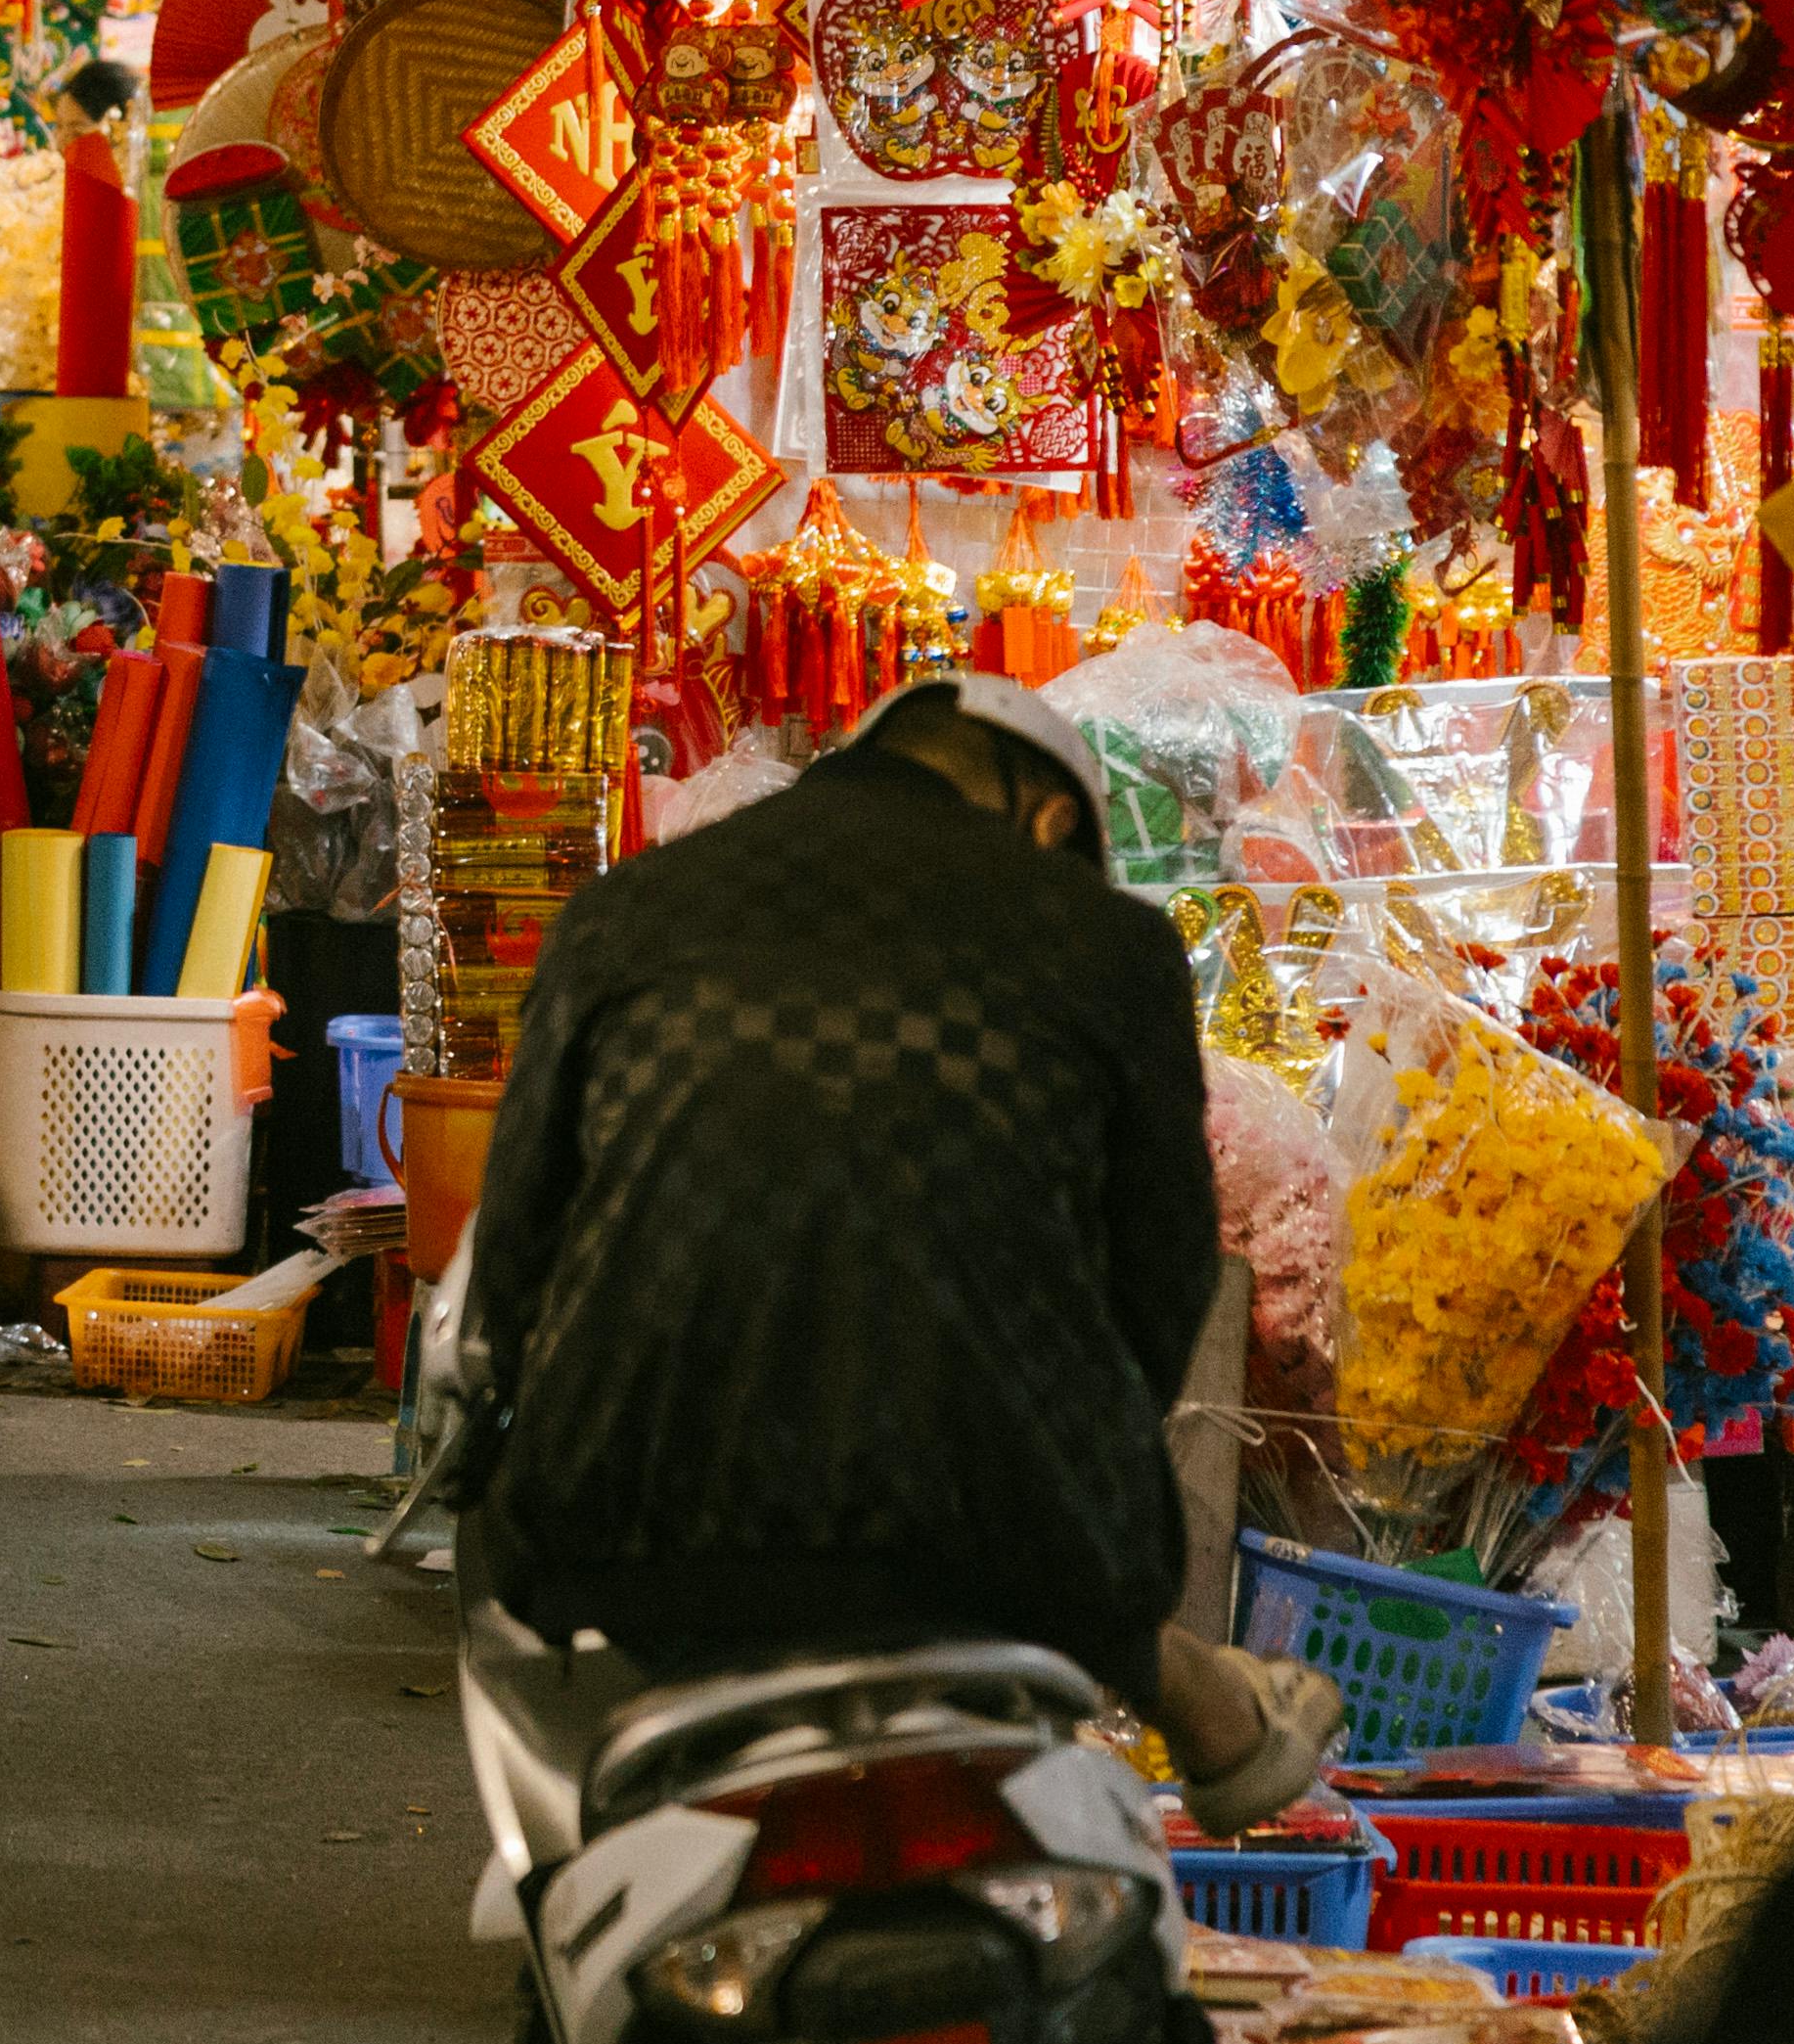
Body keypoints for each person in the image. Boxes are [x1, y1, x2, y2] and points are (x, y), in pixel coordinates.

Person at [453, 667, 1334, 1818]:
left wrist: (515, 1438)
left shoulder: (625, 911)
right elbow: (1161, 1288)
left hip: (623, 1525)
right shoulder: (1108, 945)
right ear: (1048, 814)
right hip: (1000, 1549)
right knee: (1079, 1588)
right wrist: (1088, 1471)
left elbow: (516, 1238)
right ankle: (1200, 1698)